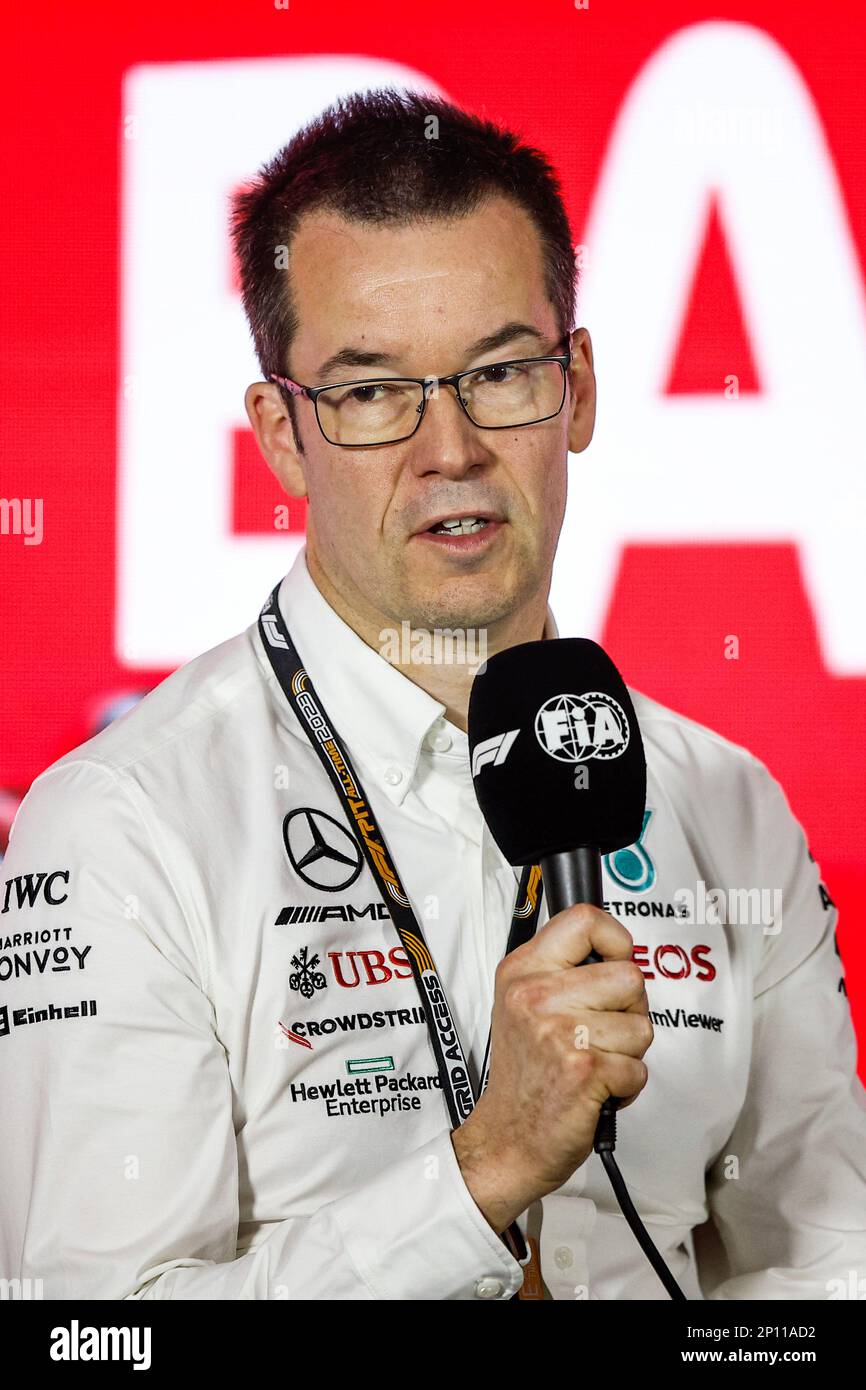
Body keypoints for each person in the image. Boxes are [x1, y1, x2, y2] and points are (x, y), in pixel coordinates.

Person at [1, 87, 864, 1302]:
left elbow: (827, 1263)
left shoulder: (727, 804)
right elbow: (94, 1337)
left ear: (578, 389)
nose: (447, 449)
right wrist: (483, 1170)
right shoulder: (120, 828)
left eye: (499, 371)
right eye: (369, 393)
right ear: (281, 437)